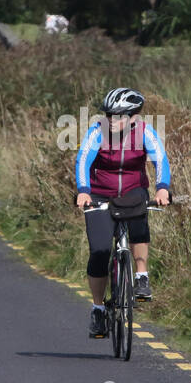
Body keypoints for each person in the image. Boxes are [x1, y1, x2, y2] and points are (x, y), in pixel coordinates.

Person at [75, 88, 172, 338]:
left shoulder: (144, 132)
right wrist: (84, 191)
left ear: (132, 117)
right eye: (109, 114)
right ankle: (98, 310)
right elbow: (83, 159)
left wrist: (162, 190)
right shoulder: (97, 132)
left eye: (118, 115)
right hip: (99, 194)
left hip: (132, 191)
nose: (112, 120)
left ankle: (141, 276)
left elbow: (160, 159)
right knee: (99, 251)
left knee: (139, 221)